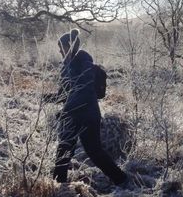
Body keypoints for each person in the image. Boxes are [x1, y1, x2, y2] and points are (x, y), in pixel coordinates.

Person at [47, 29, 129, 186]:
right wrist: (46, 97)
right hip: (73, 114)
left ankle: (122, 180)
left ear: (69, 46)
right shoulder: (67, 65)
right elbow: (65, 94)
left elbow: (83, 89)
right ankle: (59, 185)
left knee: (93, 151)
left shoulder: (83, 61)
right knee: (64, 149)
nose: (59, 51)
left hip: (87, 114)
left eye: (61, 47)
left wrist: (65, 111)